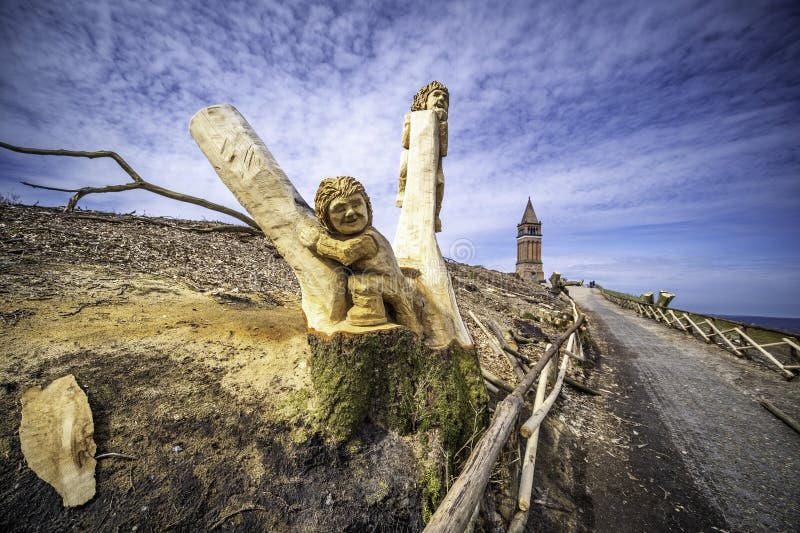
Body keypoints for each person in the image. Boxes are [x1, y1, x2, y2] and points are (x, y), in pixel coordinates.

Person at [301, 176, 420, 332]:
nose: (350, 213)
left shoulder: (368, 238)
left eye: (356, 204)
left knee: (358, 282)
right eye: (340, 209)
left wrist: (317, 242)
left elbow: (345, 253)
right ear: (326, 218)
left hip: (389, 284)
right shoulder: (356, 235)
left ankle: (372, 312)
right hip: (390, 282)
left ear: (367, 207)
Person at [396, 80, 449, 232]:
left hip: (434, 162)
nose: (441, 100)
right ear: (424, 100)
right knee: (404, 164)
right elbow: (405, 141)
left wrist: (440, 125)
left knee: (440, 182)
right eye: (436, 95)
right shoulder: (411, 117)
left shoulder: (442, 124)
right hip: (414, 156)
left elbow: (443, 150)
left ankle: (435, 214)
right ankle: (401, 192)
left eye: (445, 98)